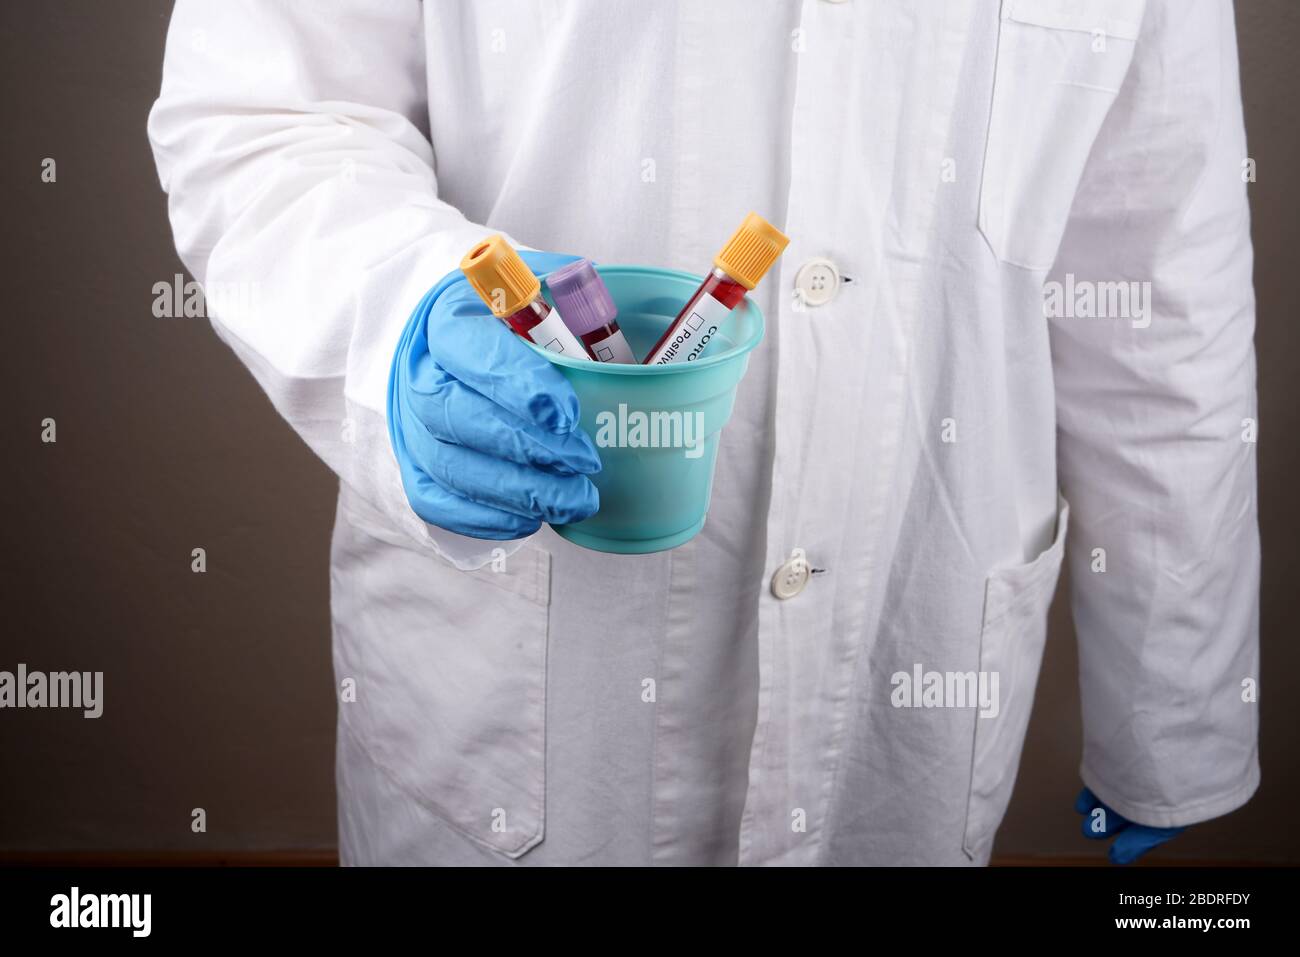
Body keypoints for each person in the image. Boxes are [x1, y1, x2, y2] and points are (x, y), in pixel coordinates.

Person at [148, 0, 1259, 866]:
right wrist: (393, 317)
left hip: (908, 651)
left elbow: (1158, 282)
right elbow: (269, 111)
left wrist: (1174, 712)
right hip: (528, 691)